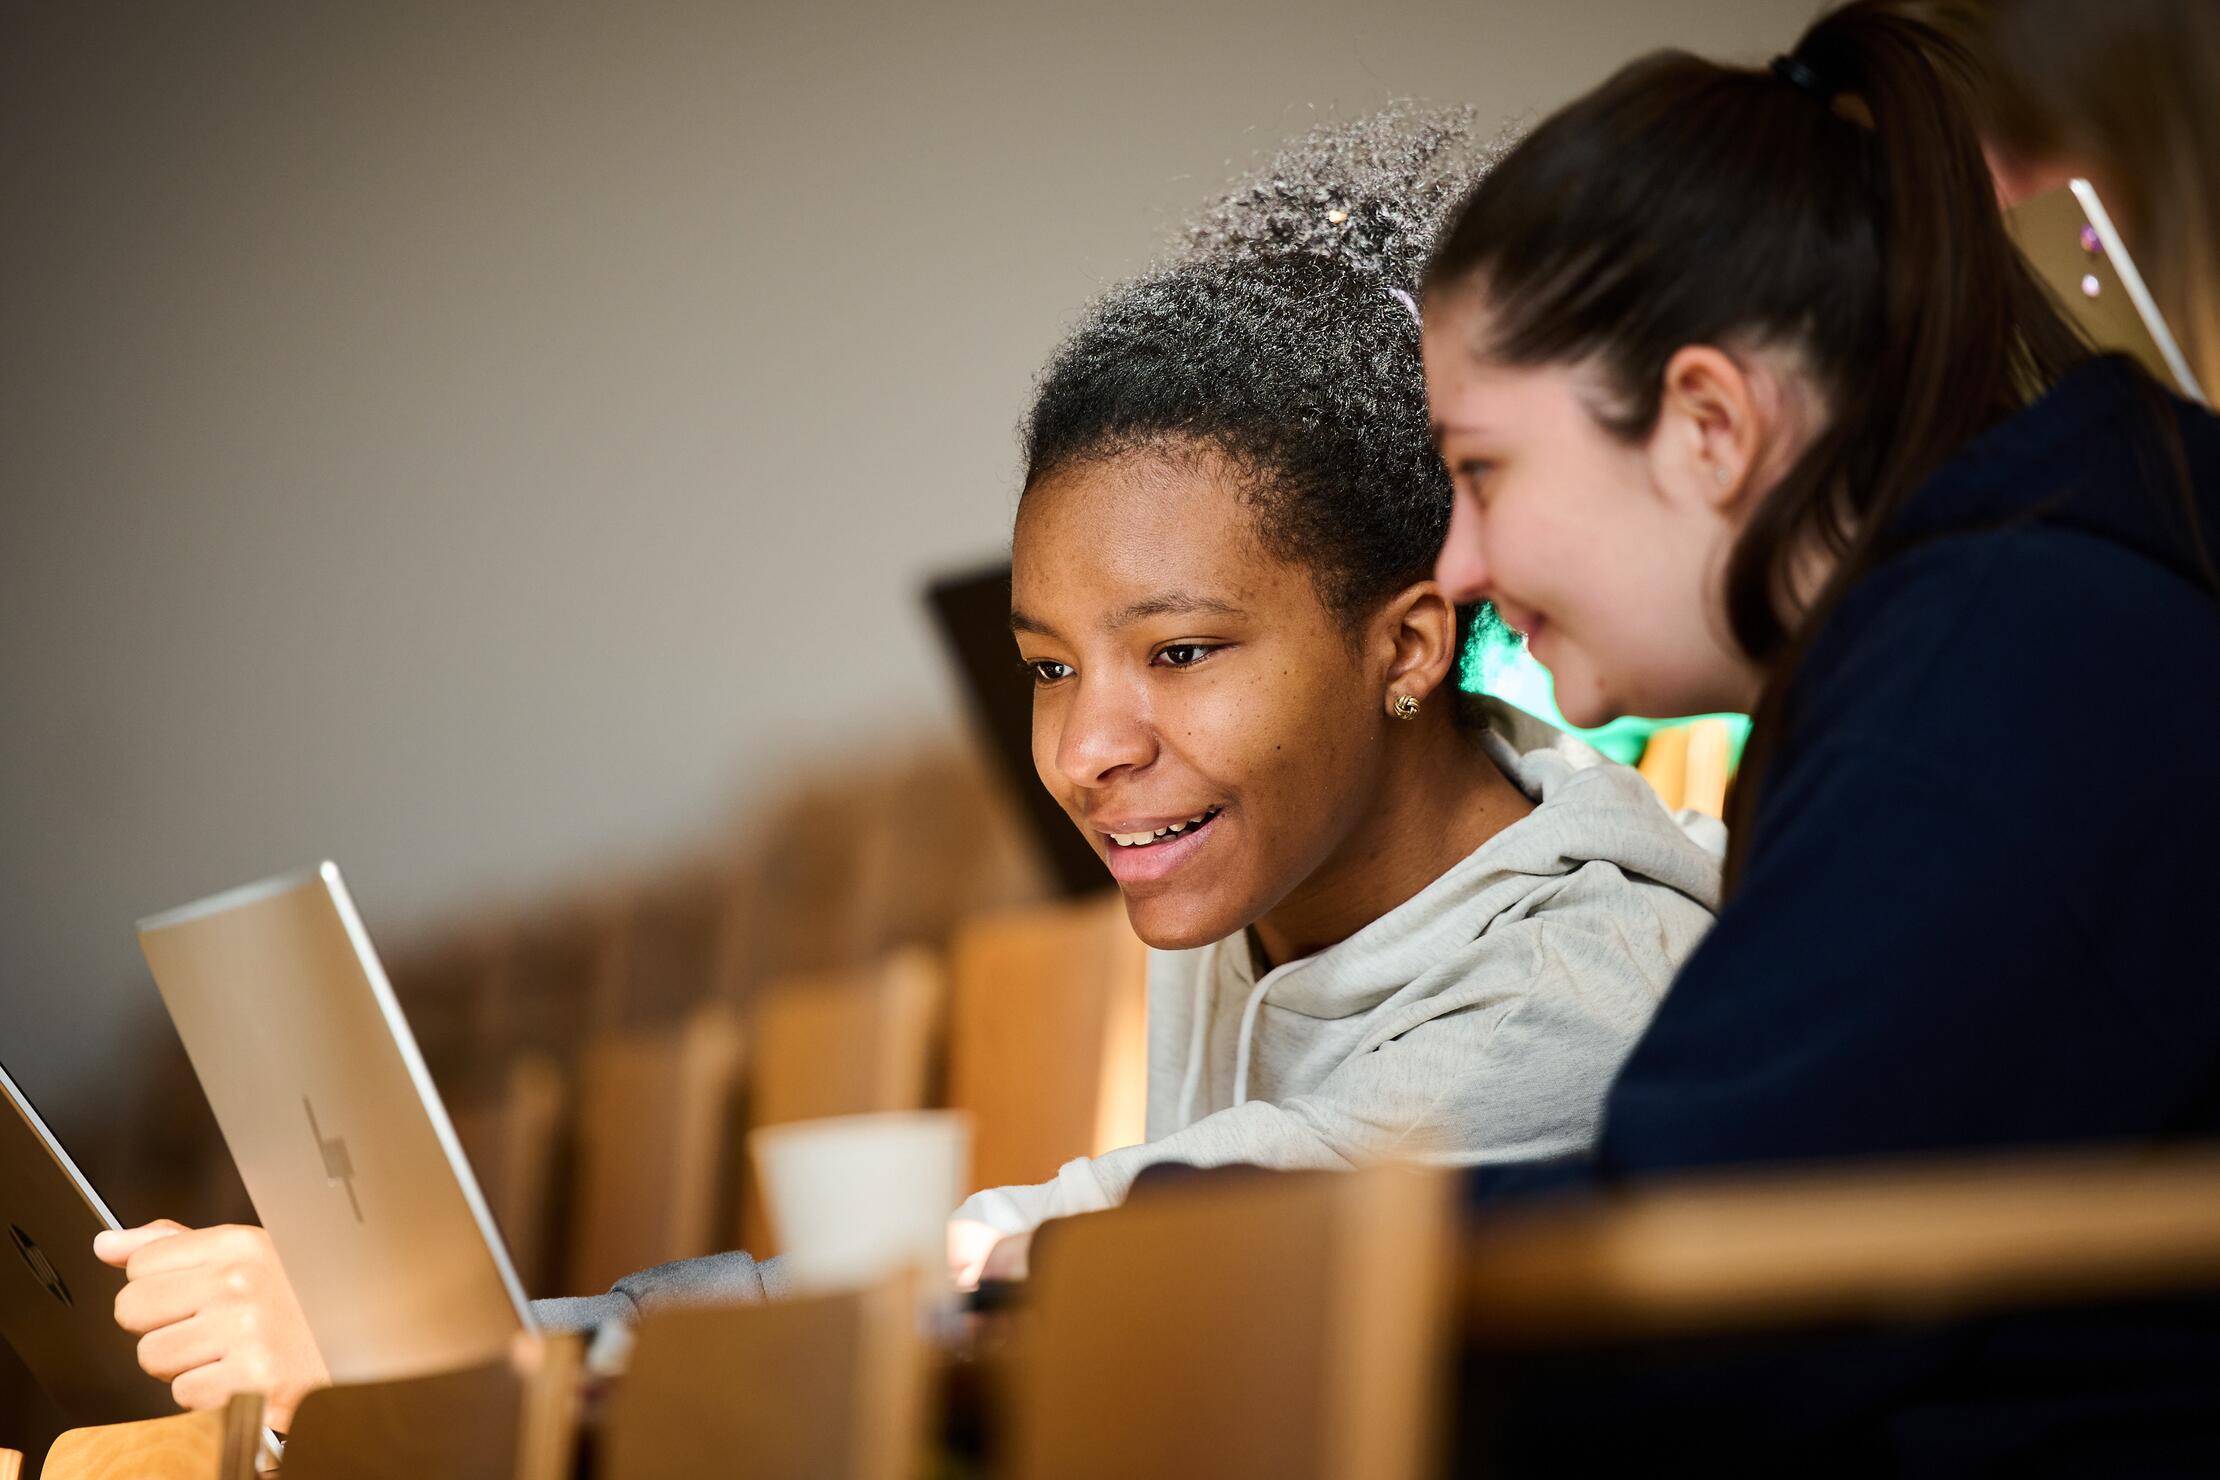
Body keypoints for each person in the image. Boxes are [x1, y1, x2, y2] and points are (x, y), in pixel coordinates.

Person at [98, 109, 1724, 1427]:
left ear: (1408, 647)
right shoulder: (1269, 888)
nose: (1088, 752)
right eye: (1047, 669)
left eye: (1179, 652)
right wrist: (478, 1350)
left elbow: (1044, 1274)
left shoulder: (1563, 1002)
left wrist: (477, 1365)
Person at [1414, 0, 2220, 1464]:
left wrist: (1190, 1262)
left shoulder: (1996, 682)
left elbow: (1701, 1296)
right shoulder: (1984, 625)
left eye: (1484, 472)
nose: (1458, 566)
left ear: (1710, 424)